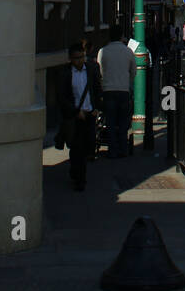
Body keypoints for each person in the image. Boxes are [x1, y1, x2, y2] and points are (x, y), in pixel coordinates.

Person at [58, 43, 103, 191]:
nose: (80, 61)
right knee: (77, 147)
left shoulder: (91, 69)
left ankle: (77, 171)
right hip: (75, 115)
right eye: (76, 58)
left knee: (88, 145)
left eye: (82, 57)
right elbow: (62, 96)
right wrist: (75, 111)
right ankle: (80, 179)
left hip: (89, 114)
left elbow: (97, 89)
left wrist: (97, 108)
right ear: (70, 59)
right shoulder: (66, 73)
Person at [98, 24, 137, 159]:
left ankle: (112, 150)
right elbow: (133, 72)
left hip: (108, 91)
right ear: (121, 36)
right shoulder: (128, 52)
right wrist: (126, 81)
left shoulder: (103, 51)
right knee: (123, 122)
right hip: (123, 90)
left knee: (110, 121)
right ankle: (123, 149)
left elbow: (100, 72)